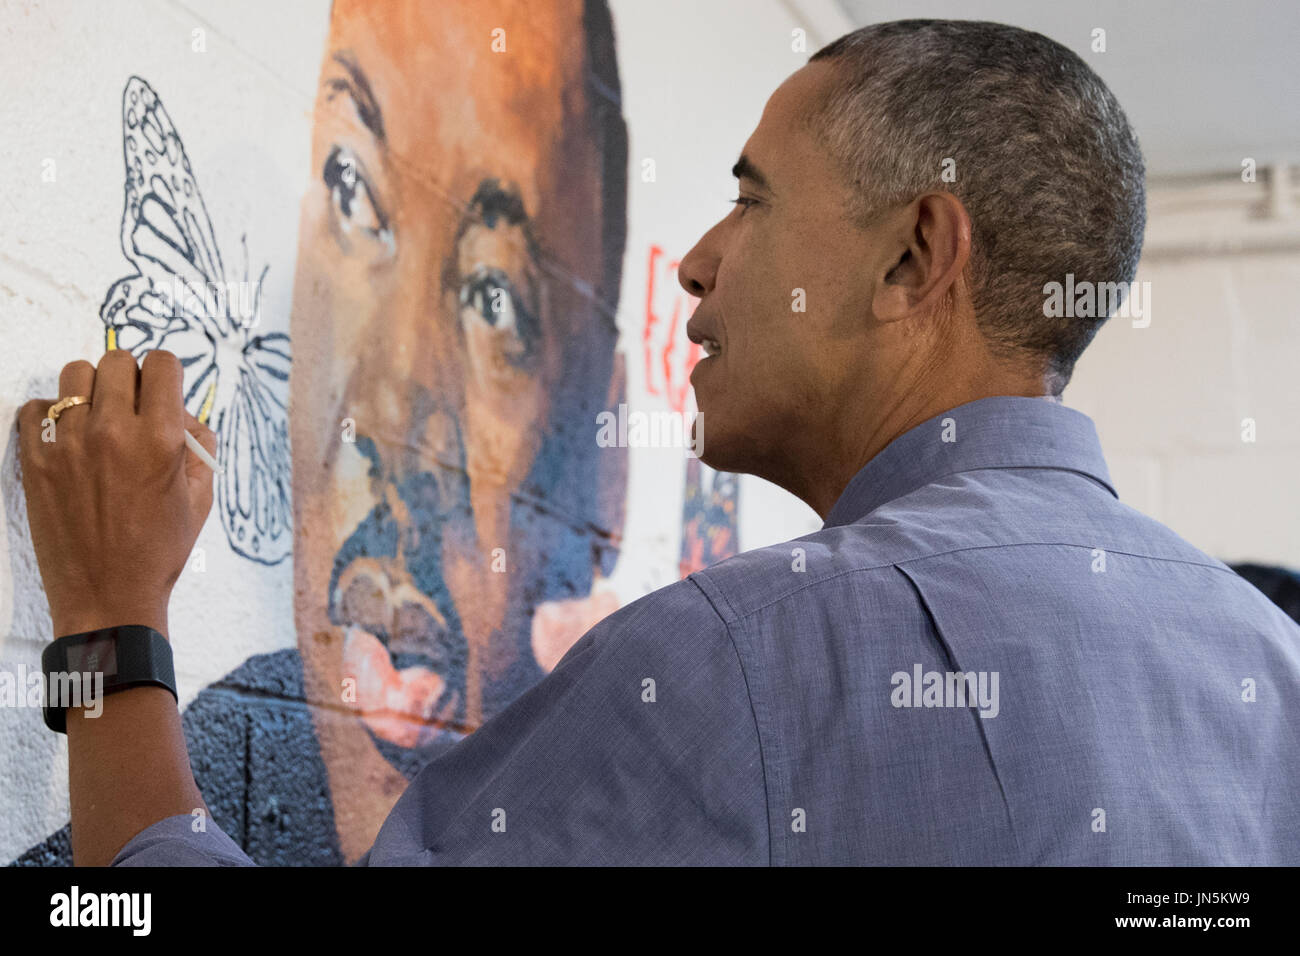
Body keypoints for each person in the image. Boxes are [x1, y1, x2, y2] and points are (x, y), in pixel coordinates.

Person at [18, 19, 1300, 866]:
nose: (692, 262)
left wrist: (103, 633)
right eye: (353, 195)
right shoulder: (1268, 666)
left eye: (751, 196)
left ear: (915, 252)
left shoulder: (746, 658)